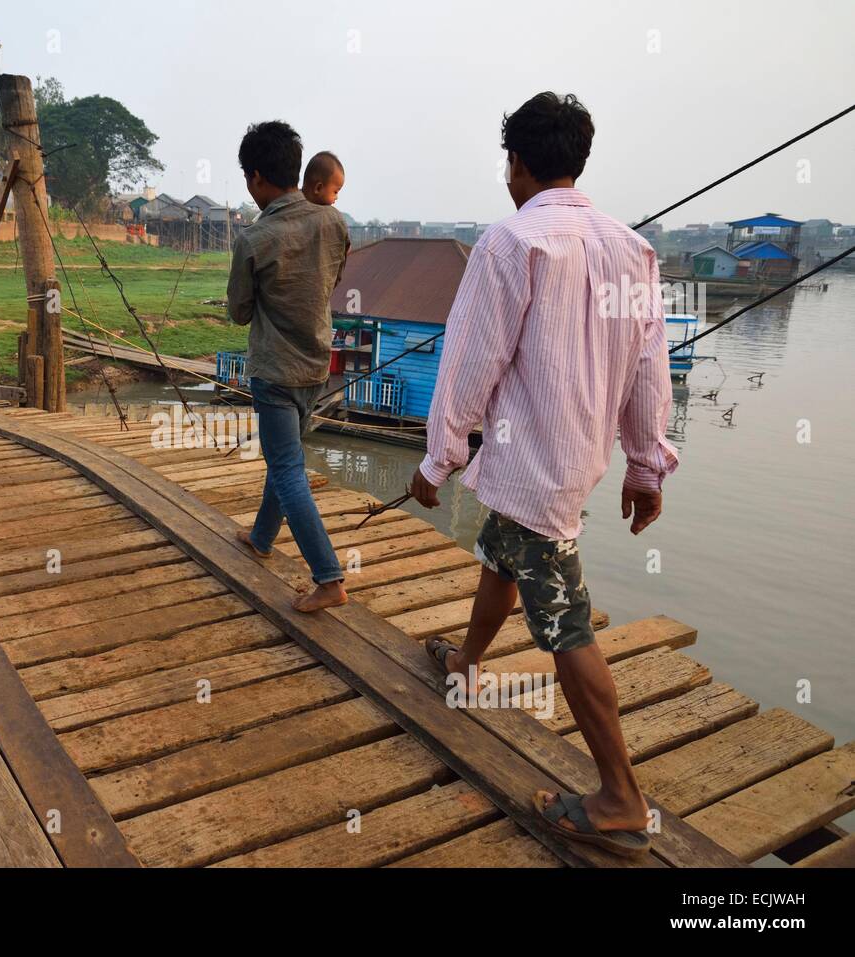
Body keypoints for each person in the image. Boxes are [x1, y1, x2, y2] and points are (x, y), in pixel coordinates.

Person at [410, 92, 678, 858]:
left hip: (537, 465)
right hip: (574, 460)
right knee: (503, 549)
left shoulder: (510, 242)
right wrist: (644, 463)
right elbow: (648, 366)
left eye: (508, 162)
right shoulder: (633, 249)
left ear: (518, 163)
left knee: (563, 620)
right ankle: (467, 661)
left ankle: (622, 796)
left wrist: (437, 459)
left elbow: (470, 360)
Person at [227, 120, 350, 613]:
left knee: (287, 469)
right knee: (287, 459)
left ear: (257, 178)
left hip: (275, 372)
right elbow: (332, 281)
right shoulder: (336, 223)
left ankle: (328, 577)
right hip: (317, 368)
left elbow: (239, 311)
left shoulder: (255, 240)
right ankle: (261, 536)